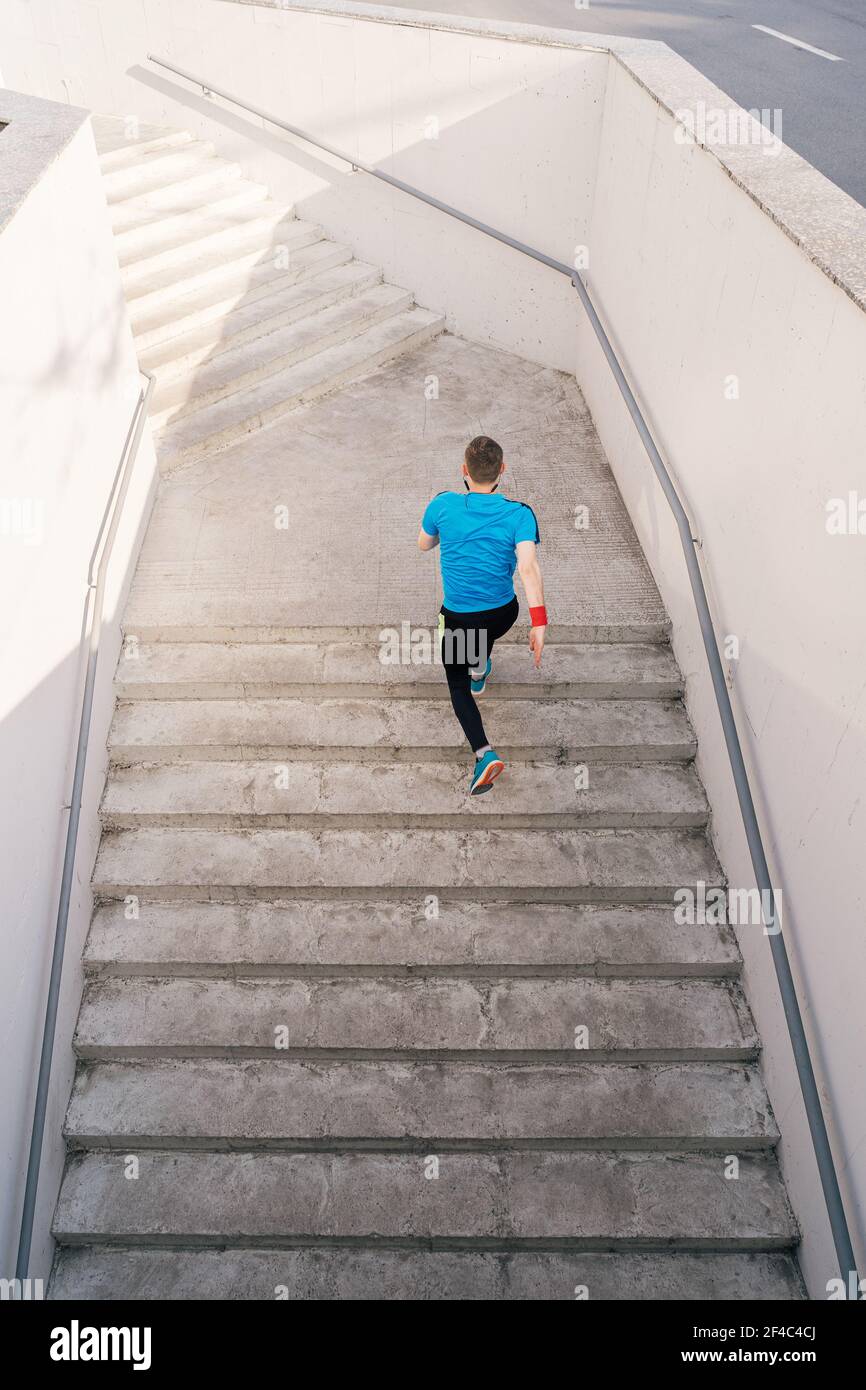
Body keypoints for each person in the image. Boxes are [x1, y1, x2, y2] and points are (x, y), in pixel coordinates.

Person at [418, 435, 547, 795]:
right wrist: (539, 622)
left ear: (464, 471)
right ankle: (481, 668)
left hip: (459, 618)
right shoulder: (520, 514)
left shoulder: (443, 504)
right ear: (501, 470)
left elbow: (423, 544)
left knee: (458, 686)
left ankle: (483, 754)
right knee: (481, 637)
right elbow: (528, 567)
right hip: (504, 614)